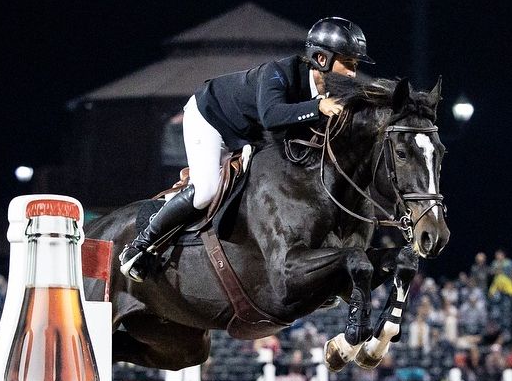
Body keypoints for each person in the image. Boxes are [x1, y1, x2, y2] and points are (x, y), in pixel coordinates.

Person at [119, 17, 373, 281]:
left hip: (249, 136)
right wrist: (317, 108)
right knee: (206, 191)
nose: (353, 74)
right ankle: (139, 246)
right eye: (349, 64)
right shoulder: (277, 73)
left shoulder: (328, 96)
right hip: (211, 118)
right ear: (322, 59)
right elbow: (272, 116)